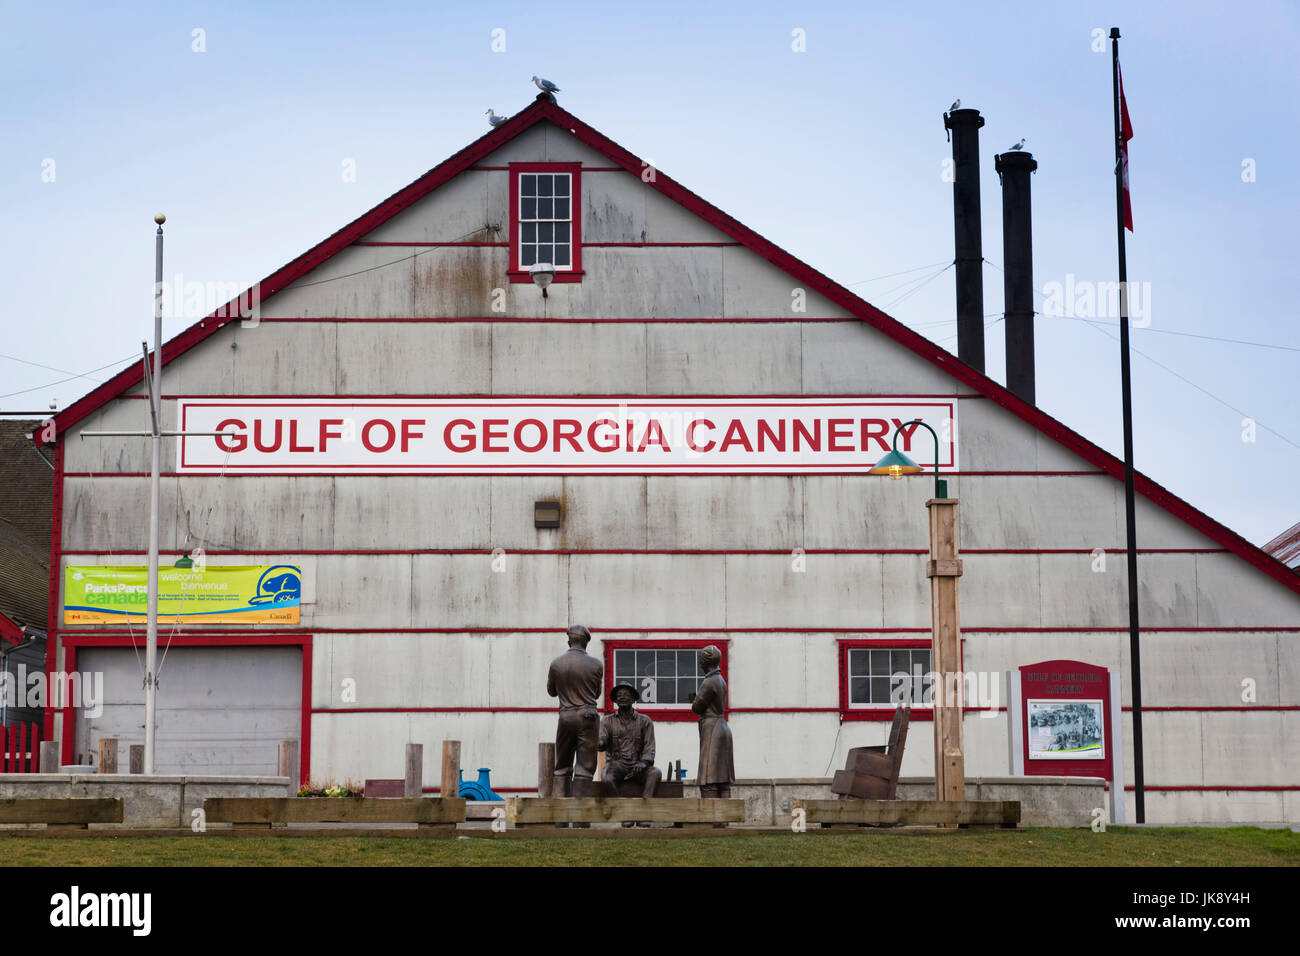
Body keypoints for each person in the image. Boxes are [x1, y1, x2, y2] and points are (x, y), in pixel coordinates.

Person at [546, 624, 603, 798]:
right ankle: (581, 819)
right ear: (586, 643)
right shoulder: (596, 664)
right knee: (585, 767)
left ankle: (561, 819)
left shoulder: (556, 663)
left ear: (569, 640)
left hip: (566, 717)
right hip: (588, 717)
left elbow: (551, 692)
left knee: (562, 765)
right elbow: (597, 693)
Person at [598, 682, 662, 799]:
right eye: (619, 695)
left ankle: (645, 807)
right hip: (616, 765)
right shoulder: (607, 721)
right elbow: (602, 739)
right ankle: (619, 809)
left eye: (626, 694)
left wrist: (643, 762)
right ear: (615, 700)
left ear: (633, 699)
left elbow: (649, 746)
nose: (622, 697)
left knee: (655, 773)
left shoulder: (645, 721)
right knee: (606, 778)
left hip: (638, 765)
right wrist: (600, 743)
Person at [689, 644, 734, 799]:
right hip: (722, 727)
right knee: (722, 777)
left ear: (705, 662)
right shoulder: (720, 679)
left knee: (709, 777)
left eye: (700, 660)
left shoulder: (709, 682)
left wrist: (693, 700)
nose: (699, 663)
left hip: (712, 729)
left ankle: (713, 818)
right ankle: (724, 821)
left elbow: (697, 707)